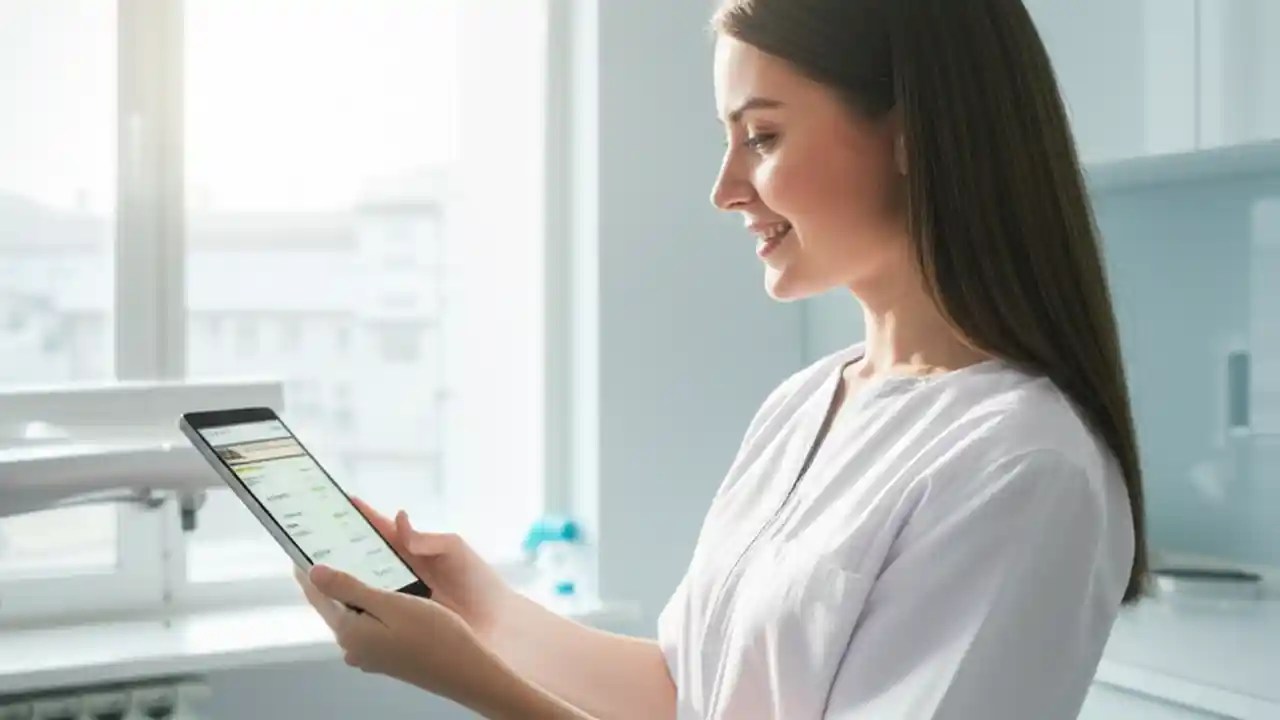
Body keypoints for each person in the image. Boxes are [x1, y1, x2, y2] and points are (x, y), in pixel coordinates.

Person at [295, 0, 1148, 717]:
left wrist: (474, 684)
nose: (725, 187)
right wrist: (476, 606)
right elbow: (689, 696)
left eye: (763, 137)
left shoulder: (1023, 464)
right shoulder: (810, 402)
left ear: (913, 136)